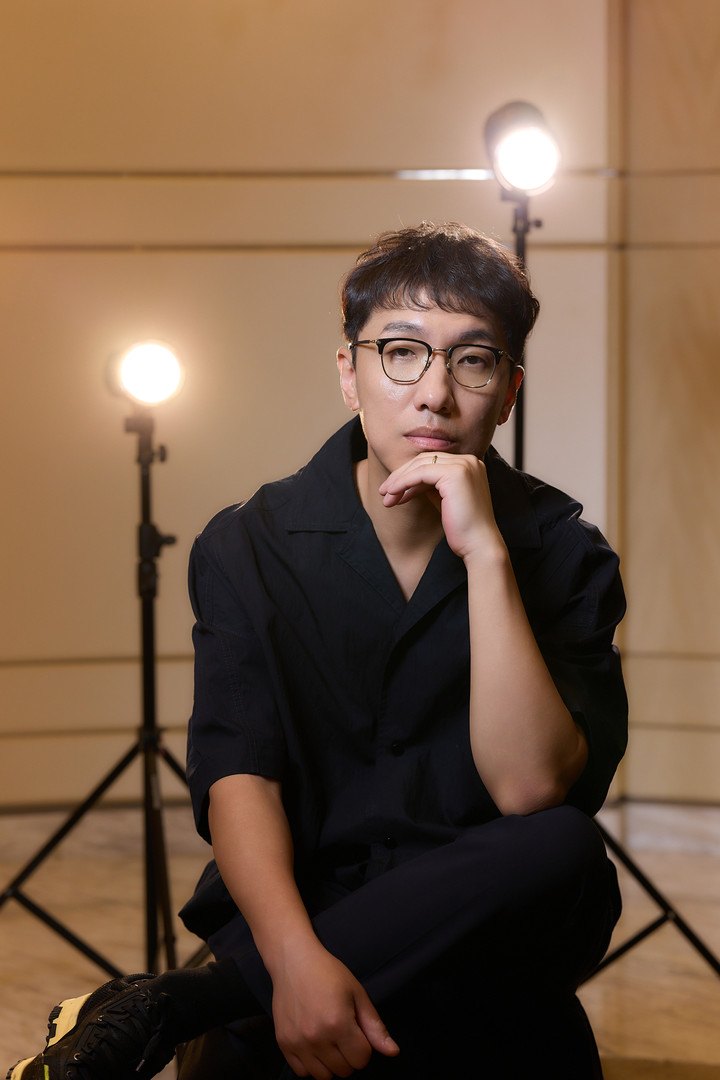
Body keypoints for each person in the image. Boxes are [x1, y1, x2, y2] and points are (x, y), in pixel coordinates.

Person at [8, 222, 627, 1080]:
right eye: (401, 353)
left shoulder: (562, 552)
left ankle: (175, 1003)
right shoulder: (248, 545)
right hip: (300, 912)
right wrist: (295, 962)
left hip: (486, 925)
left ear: (509, 390)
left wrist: (486, 554)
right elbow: (240, 777)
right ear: (348, 373)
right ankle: (246, 989)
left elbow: (529, 790)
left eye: (473, 361)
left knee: (561, 846)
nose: (435, 394)